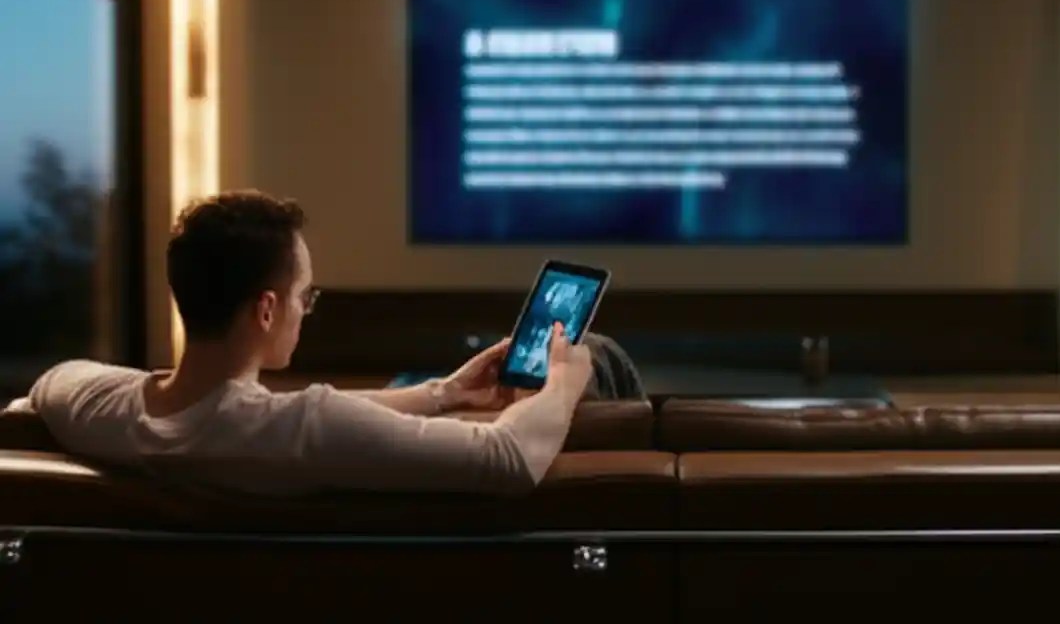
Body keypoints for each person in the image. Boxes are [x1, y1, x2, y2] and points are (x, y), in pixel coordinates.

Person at [19, 190, 636, 497]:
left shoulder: (102, 409)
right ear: (266, 309)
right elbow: (507, 459)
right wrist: (563, 380)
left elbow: (53, 383)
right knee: (600, 355)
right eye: (304, 295)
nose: (305, 310)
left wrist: (442, 394)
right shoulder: (302, 430)